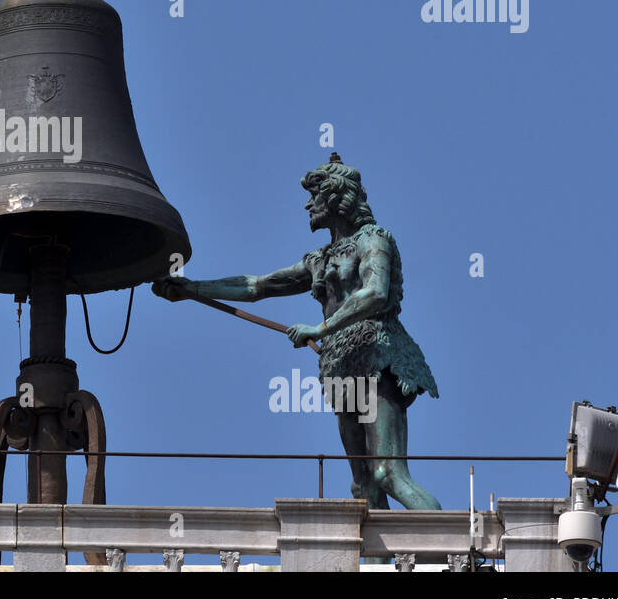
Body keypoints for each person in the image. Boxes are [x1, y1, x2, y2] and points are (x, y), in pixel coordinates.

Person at [153, 153, 440, 510]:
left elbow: (376, 292)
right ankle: (377, 566)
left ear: (335, 198)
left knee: (387, 474)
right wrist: (192, 289)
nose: (308, 204)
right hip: (342, 369)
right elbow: (257, 286)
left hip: (379, 359)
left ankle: (453, 557)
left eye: (315, 195)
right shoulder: (318, 259)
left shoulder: (373, 240)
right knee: (363, 484)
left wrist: (319, 328)